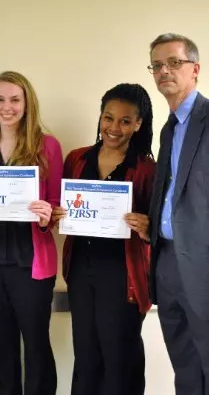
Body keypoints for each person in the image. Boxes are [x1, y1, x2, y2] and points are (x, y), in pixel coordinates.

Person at [0, 71, 63, 395]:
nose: (7, 107)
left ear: (27, 103)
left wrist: (48, 215)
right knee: (0, 347)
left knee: (36, 346)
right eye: (0, 99)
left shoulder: (47, 146)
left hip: (30, 262)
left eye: (15, 99)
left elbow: (58, 205)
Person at [53, 83, 156, 395]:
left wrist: (147, 227)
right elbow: (62, 206)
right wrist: (58, 213)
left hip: (122, 274)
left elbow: (162, 229)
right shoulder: (77, 159)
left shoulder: (147, 169)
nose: (114, 128)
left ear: (138, 124)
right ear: (100, 118)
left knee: (119, 355)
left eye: (125, 121)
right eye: (108, 118)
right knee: (86, 353)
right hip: (82, 270)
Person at [148, 33, 209, 395]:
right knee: (184, 366)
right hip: (167, 261)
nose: (164, 71)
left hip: (203, 264)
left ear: (195, 69)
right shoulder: (168, 129)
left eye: (174, 63)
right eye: (157, 65)